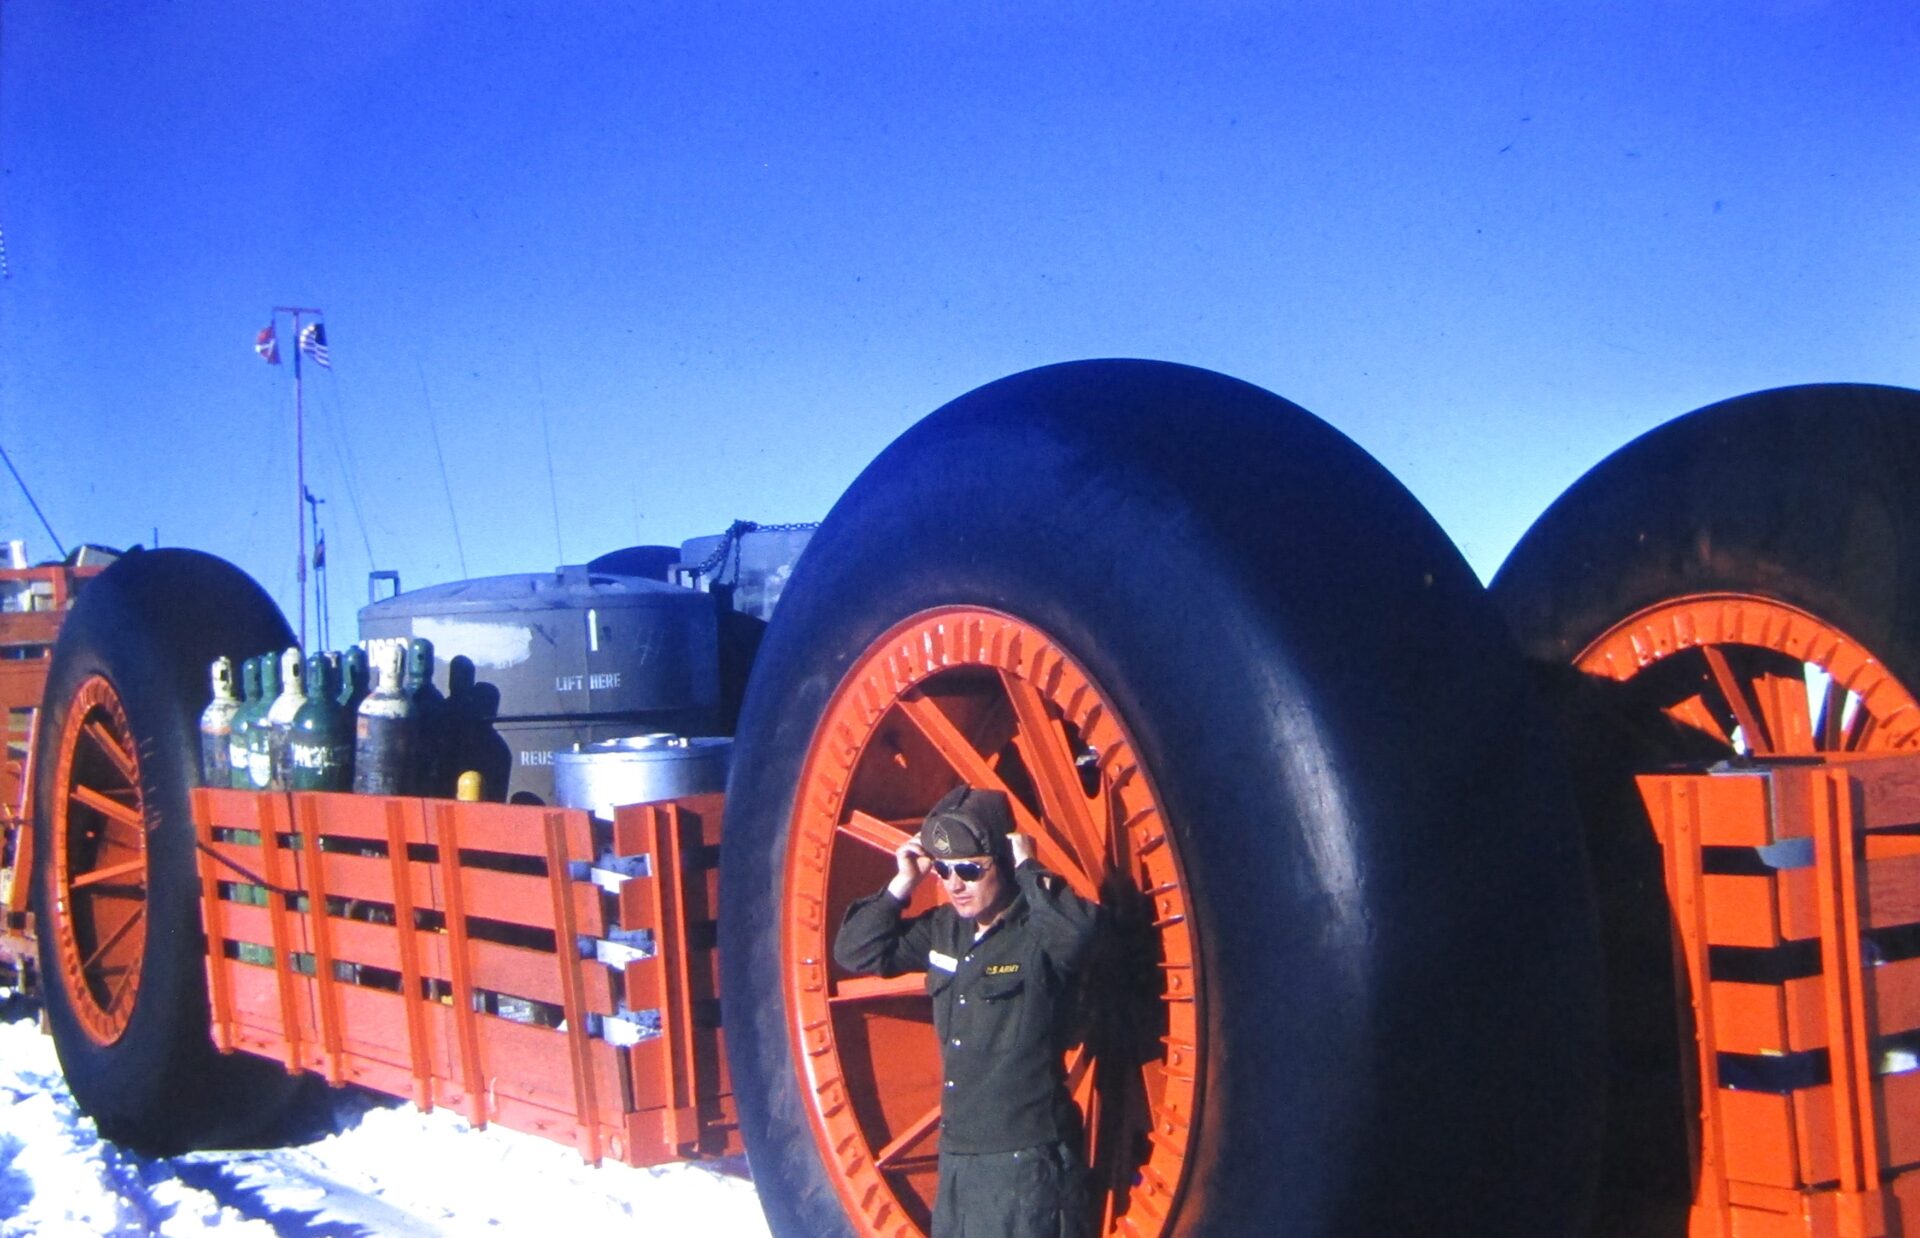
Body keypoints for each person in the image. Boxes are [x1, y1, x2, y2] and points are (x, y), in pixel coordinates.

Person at [834, 785, 1100, 1238]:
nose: (954, 884)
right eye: (943, 871)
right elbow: (855, 951)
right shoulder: (944, 932)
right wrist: (904, 882)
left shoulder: (1038, 932)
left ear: (1003, 861)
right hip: (959, 1162)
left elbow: (1077, 936)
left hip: (1025, 1162)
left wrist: (1029, 866)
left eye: (969, 871)